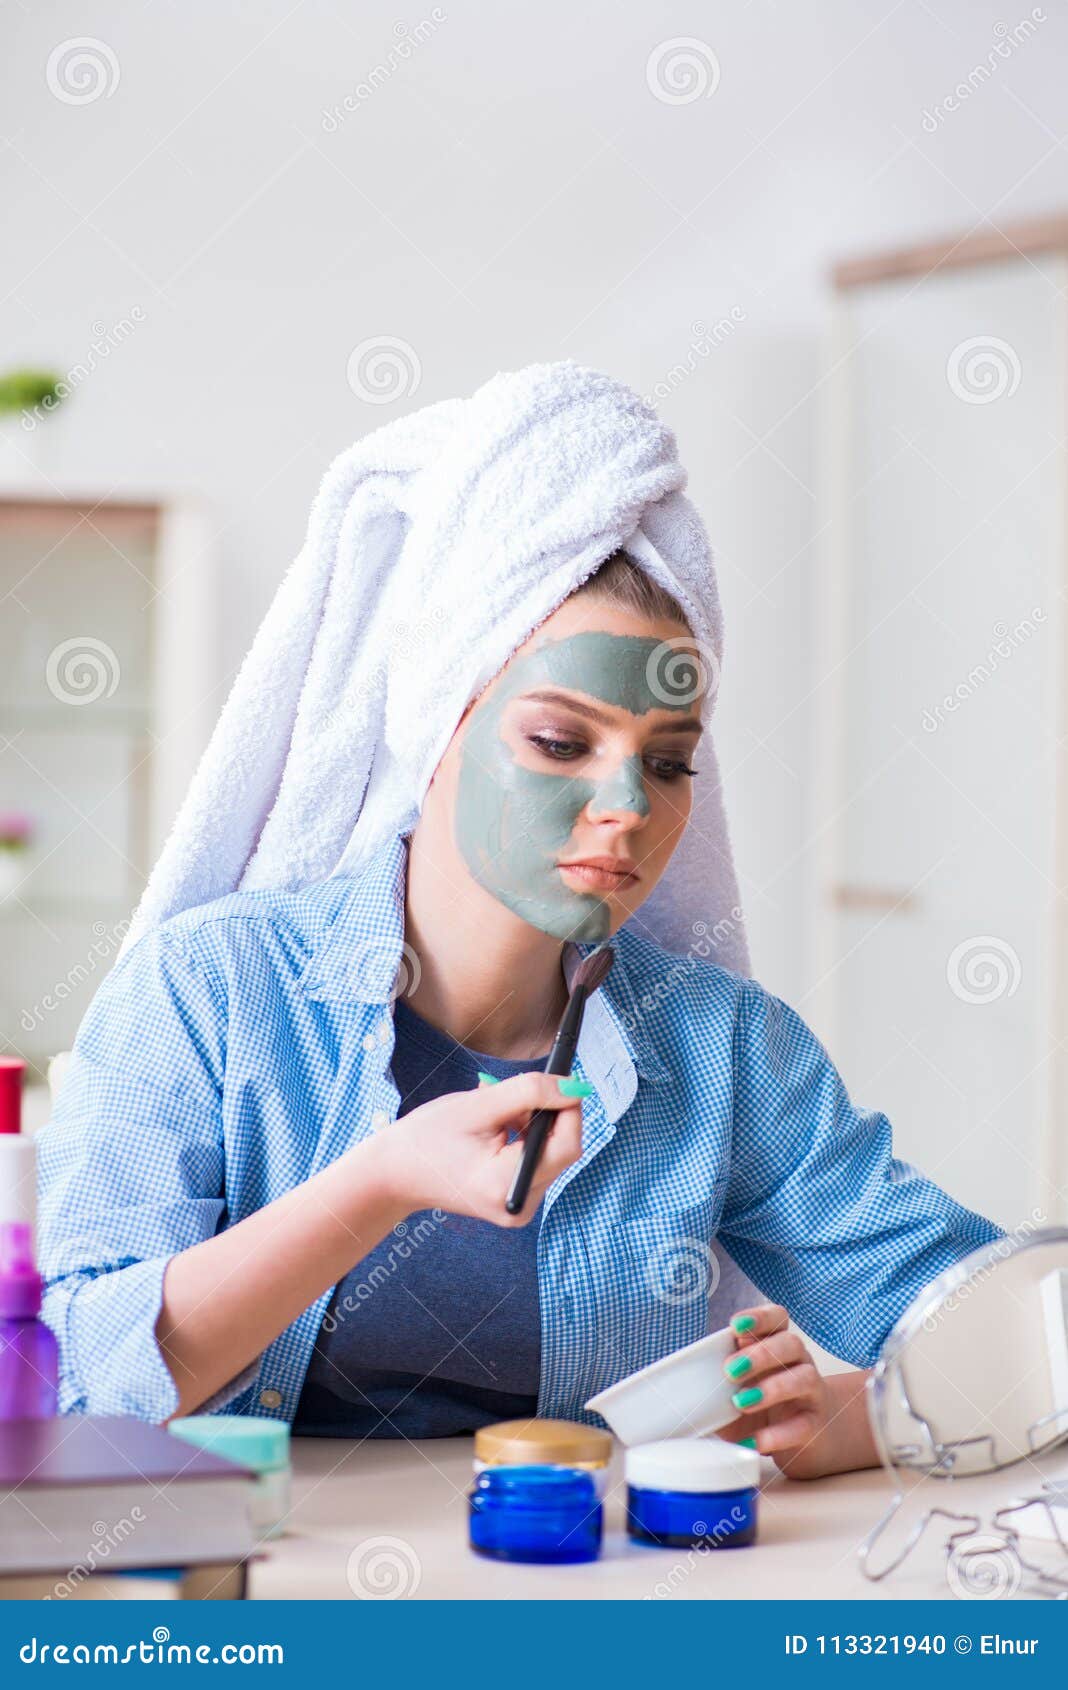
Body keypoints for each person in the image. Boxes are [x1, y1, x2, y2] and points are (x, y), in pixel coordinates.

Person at [36, 549, 1002, 1479]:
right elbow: (69, 1385)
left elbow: (1009, 1334)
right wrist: (378, 1184)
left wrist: (844, 1420)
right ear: (435, 733)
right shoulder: (208, 988)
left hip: (584, 1571)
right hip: (269, 1571)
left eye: (668, 762)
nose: (628, 804)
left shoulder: (726, 1049)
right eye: (561, 743)